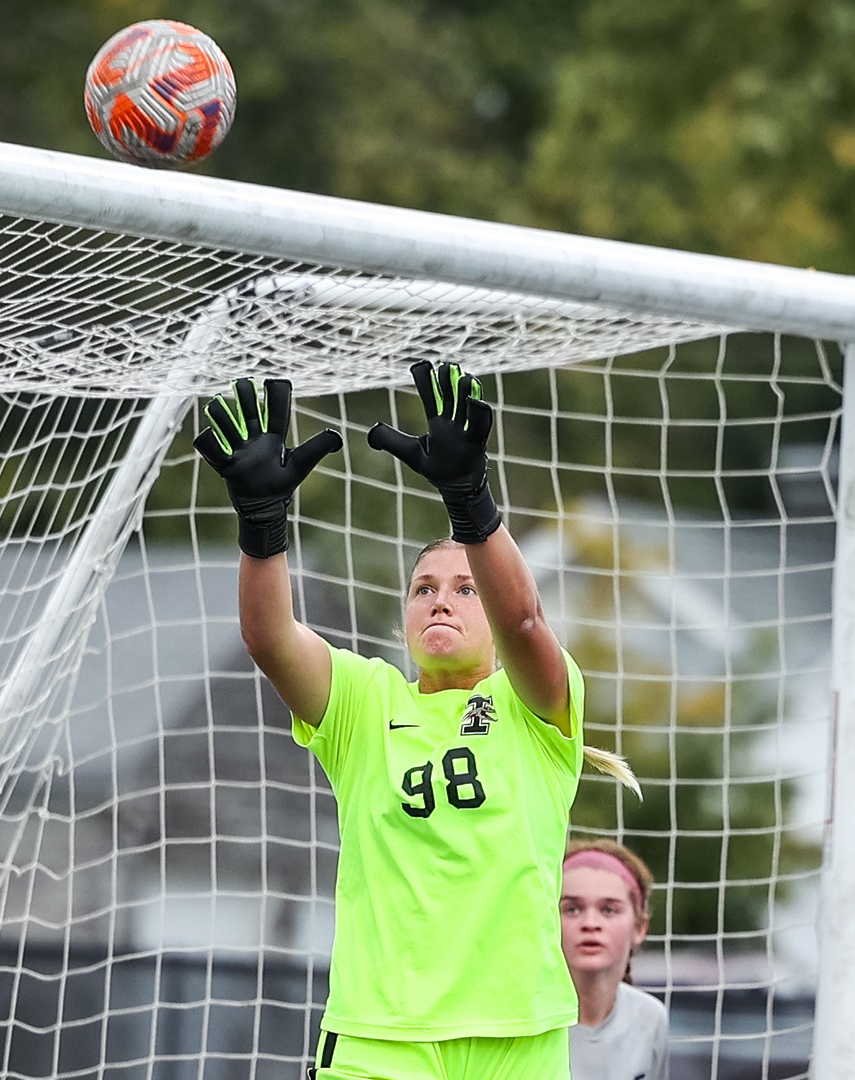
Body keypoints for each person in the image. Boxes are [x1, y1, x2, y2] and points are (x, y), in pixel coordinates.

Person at [194, 360, 630, 1080]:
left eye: (464, 588)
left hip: (516, 1033)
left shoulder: (536, 709)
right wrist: (261, 527)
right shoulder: (367, 702)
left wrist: (471, 503)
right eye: (423, 587)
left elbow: (523, 619)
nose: (440, 599)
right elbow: (270, 639)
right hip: (382, 1033)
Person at [561, 839, 668, 1080]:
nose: (590, 924)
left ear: (639, 927)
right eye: (572, 909)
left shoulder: (651, 1019)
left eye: (608, 910)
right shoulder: (522, 1019)